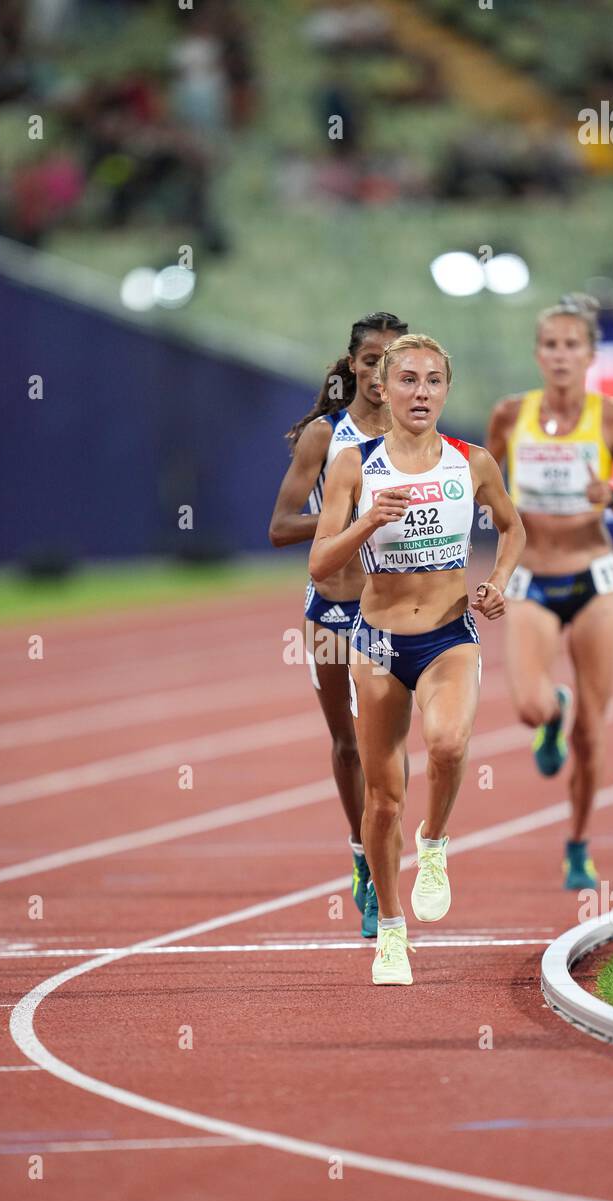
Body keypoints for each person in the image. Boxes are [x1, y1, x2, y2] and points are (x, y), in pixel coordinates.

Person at [309, 334, 525, 985]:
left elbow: (513, 527)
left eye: (433, 380)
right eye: (407, 380)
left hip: (447, 636)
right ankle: (393, 936)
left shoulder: (473, 462)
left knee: (450, 743)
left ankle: (434, 844)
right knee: (381, 801)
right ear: (385, 388)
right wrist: (369, 522)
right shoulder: (354, 463)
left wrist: (499, 582)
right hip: (375, 643)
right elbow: (321, 568)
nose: (420, 391)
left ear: (446, 391)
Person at [485, 293, 613, 890]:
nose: (560, 356)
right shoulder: (509, 415)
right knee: (530, 706)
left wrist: (611, 496)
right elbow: (482, 483)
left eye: (571, 345)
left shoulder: (612, 418)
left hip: (593, 580)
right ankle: (549, 712)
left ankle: (578, 844)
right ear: (537, 354)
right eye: (550, 345)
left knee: (592, 730)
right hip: (532, 579)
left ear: (590, 354)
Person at [269, 312, 408, 937]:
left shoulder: (416, 437)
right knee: (349, 744)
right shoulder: (325, 436)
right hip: (331, 607)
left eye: (393, 361)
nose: (381, 373)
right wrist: (348, 518)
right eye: (371, 359)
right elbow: (279, 527)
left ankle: (385, 874)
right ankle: (361, 857)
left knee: (388, 751)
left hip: (391, 611)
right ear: (353, 364)